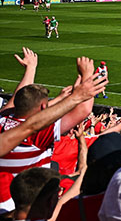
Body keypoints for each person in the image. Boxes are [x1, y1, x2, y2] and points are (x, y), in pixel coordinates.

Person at [1, 57, 97, 211]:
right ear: (44, 106)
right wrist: (88, 75)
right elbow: (83, 110)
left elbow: (16, 101)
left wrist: (30, 68)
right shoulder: (38, 134)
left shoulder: (3, 119)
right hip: (23, 206)